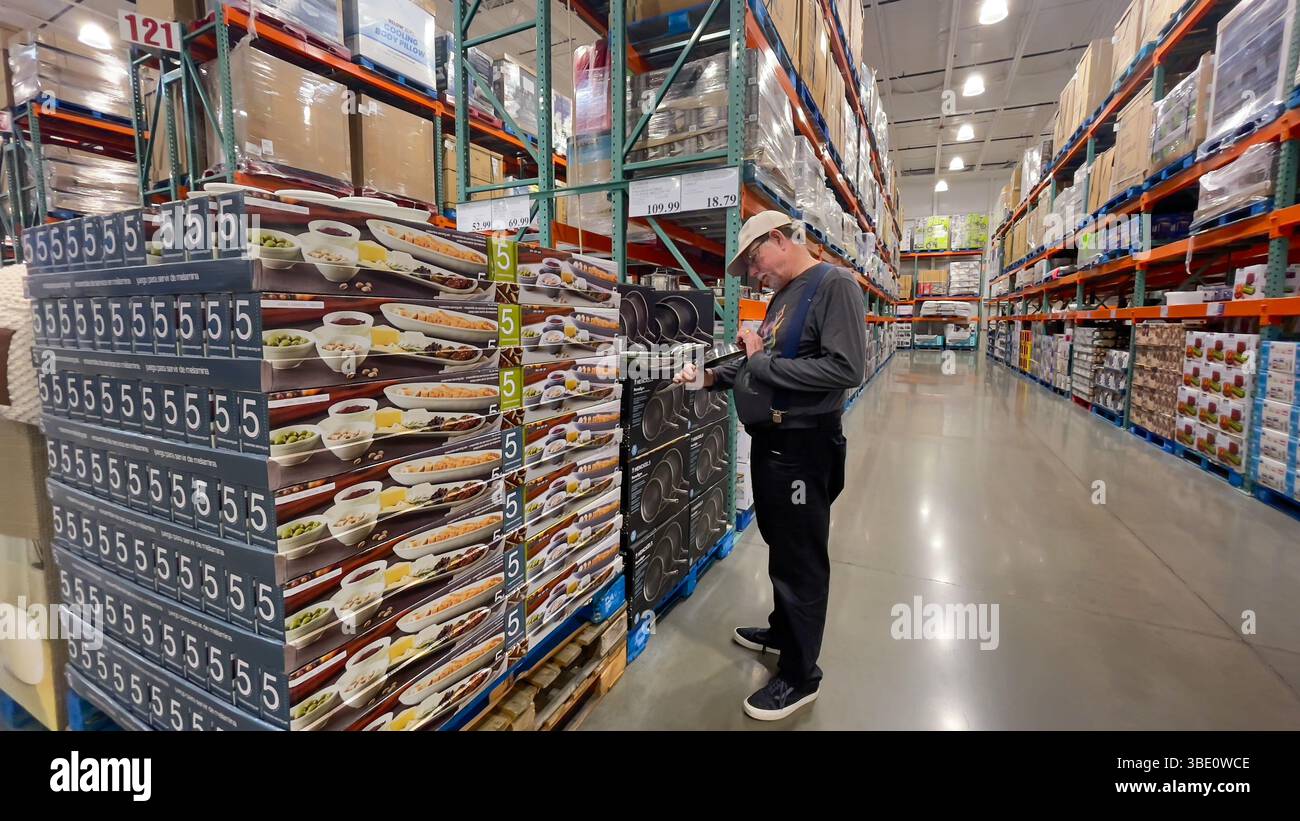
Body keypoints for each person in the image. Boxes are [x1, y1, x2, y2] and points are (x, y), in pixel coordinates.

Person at [674, 210, 866, 721]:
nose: (755, 276)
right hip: (774, 444)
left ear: (778, 240)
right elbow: (765, 359)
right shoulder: (784, 297)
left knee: (802, 558)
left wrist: (757, 360)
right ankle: (784, 632)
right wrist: (711, 378)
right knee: (781, 546)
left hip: (805, 449)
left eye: (755, 262)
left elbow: (846, 367)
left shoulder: (834, 286)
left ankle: (801, 676)